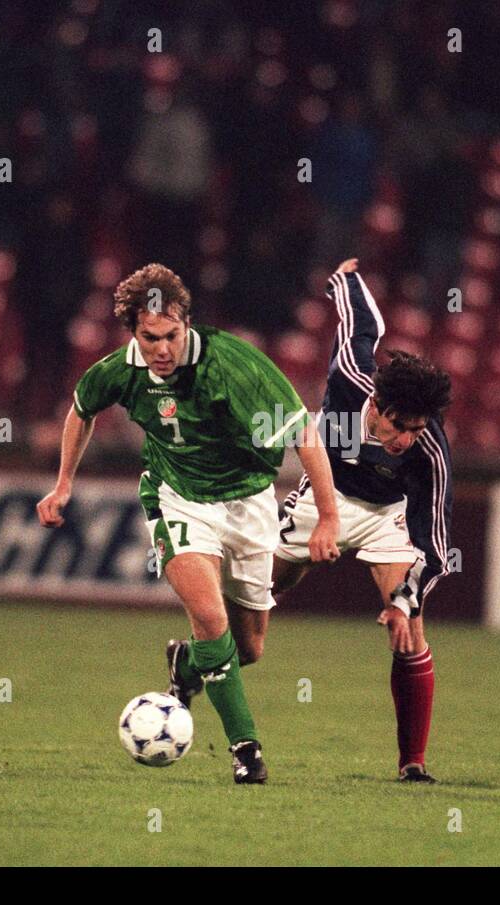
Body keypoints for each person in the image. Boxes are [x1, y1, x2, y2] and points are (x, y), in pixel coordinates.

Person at [37, 263, 341, 784]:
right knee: (209, 618)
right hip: (177, 500)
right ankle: (246, 751)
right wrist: (64, 482)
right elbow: (81, 410)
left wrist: (329, 517)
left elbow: (305, 436)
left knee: (248, 650)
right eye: (149, 337)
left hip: (248, 503)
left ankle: (188, 666)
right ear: (133, 332)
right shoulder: (120, 369)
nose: (161, 349)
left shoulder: (235, 366)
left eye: (171, 335)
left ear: (187, 324)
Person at [272, 259, 453, 783]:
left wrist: (403, 600)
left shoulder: (429, 453)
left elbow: (434, 545)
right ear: (377, 403)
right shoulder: (351, 379)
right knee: (253, 606)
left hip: (384, 515)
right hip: (324, 493)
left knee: (410, 629)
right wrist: (344, 278)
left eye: (416, 430)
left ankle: (412, 764)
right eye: (399, 426)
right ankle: (189, 667)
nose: (404, 440)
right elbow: (361, 322)